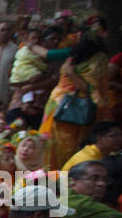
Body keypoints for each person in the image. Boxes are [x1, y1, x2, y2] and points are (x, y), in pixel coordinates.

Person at [39, 35, 109, 169]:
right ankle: (51, 174)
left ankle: (66, 174)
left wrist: (71, 73)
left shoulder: (97, 60)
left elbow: (88, 87)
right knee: (51, 142)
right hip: (58, 104)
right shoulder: (73, 53)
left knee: (68, 145)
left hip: (76, 107)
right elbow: (46, 53)